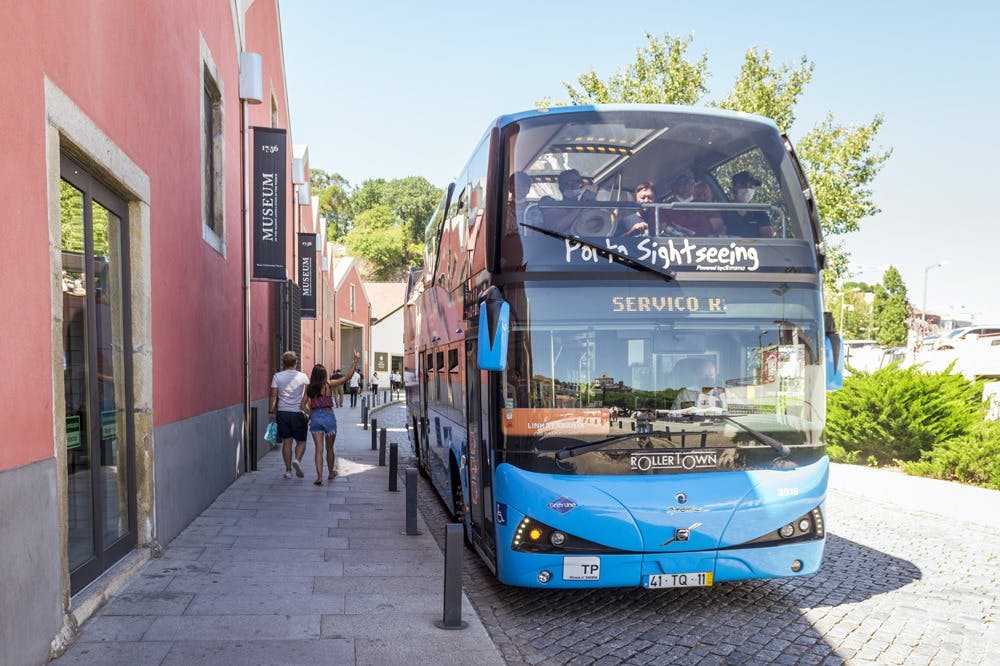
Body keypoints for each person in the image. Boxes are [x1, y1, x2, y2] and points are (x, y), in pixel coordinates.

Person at [300, 351, 360, 485]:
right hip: (328, 417)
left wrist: (312, 414)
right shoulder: (328, 384)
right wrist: (355, 361)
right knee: (330, 448)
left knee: (318, 449)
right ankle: (331, 472)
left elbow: (302, 405)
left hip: (315, 418)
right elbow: (347, 378)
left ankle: (319, 477)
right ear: (324, 374)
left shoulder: (309, 388)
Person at [269, 351, 309, 480]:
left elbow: (274, 395)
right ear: (296, 362)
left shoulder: (277, 377)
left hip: (283, 413)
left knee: (287, 442)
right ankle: (297, 460)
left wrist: (271, 411)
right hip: (298, 413)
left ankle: (288, 471)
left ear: (283, 363)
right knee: (301, 442)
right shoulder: (303, 377)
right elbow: (308, 396)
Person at [722, 170, 773, 238]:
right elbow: (721, 235)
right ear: (733, 189)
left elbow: (768, 238)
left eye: (751, 186)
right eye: (743, 184)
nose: (747, 189)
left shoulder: (760, 213)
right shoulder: (723, 211)